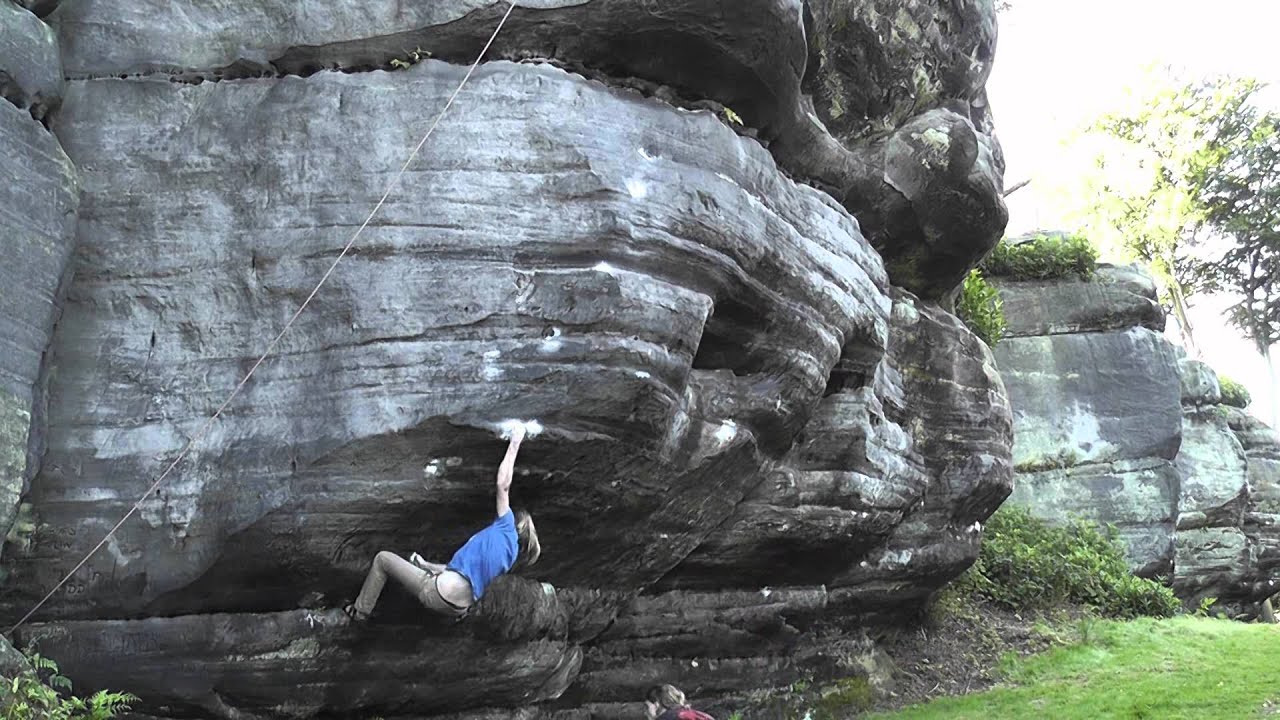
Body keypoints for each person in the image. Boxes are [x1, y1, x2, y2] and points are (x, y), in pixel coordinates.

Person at [344, 424, 541, 620]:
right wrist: (424, 564)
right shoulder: (509, 556)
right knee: (426, 581)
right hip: (456, 608)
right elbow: (455, 570)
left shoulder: (507, 527)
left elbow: (503, 485)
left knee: (382, 559)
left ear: (516, 524)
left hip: (436, 593)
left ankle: (360, 613)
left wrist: (516, 440)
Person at [645, 685, 715, 720]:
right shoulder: (696, 714)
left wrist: (653, 718)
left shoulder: (669, 717)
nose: (645, 712)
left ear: (657, 704)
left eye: (647, 707)